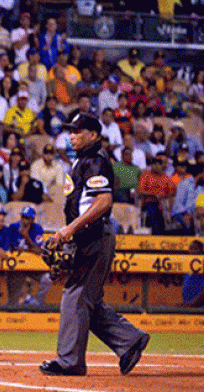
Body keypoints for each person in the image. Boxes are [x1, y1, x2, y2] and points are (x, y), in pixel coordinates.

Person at [40, 113, 150, 376]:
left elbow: (103, 201)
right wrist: (69, 236)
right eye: (70, 131)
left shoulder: (95, 160)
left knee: (76, 297)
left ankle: (70, 362)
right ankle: (130, 339)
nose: (72, 135)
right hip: (86, 237)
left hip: (95, 236)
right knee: (88, 300)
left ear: (93, 134)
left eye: (78, 131)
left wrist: (69, 229)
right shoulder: (82, 160)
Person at [3, 206, 52, 306]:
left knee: (47, 278)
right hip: (17, 267)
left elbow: (39, 250)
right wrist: (30, 250)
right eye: (23, 217)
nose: (24, 220)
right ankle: (12, 308)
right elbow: (11, 248)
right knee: (13, 299)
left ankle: (37, 305)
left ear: (32, 220)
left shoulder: (37, 228)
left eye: (28, 218)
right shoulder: (13, 227)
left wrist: (26, 237)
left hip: (33, 267)